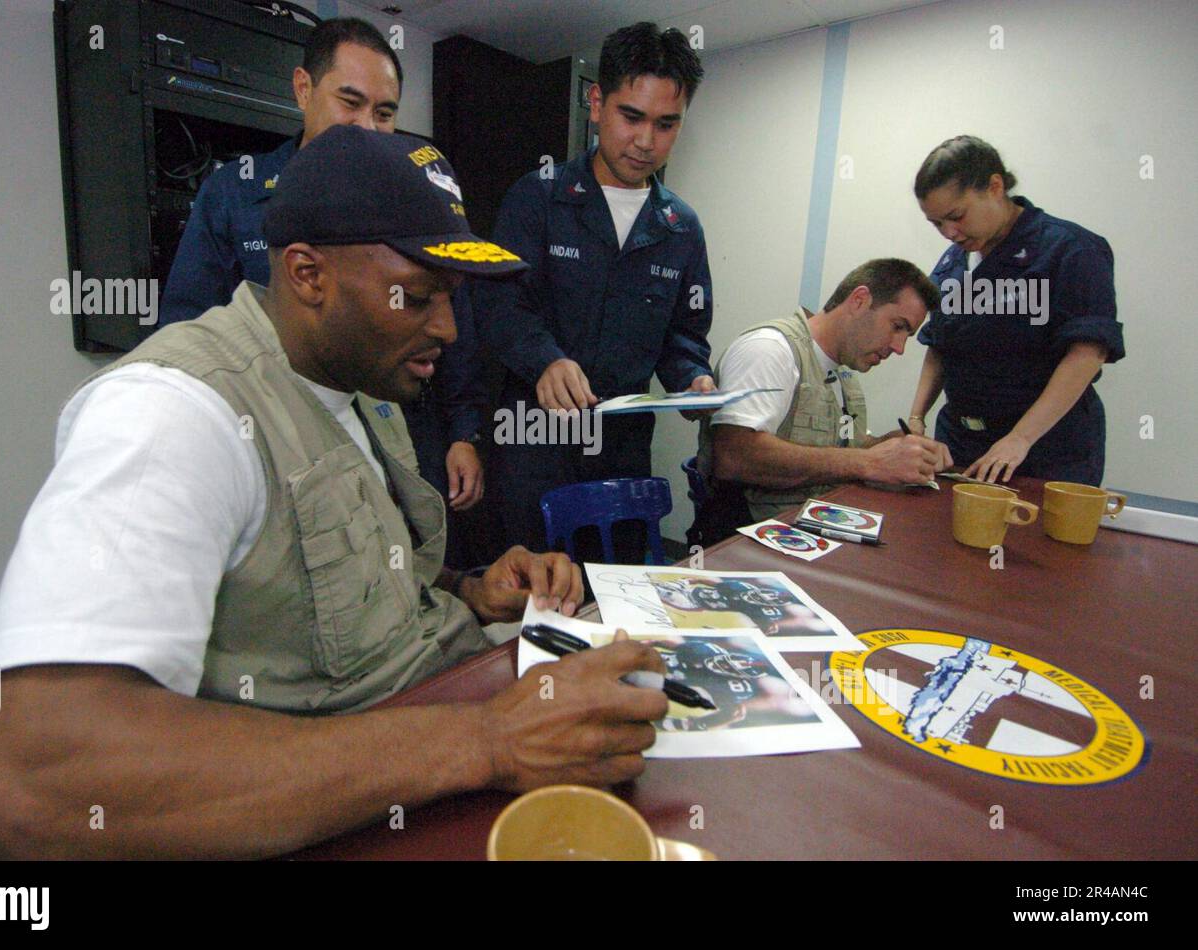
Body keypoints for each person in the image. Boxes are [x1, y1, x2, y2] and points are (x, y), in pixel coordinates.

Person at [0, 127, 669, 860]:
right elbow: (33, 788)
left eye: (453, 298)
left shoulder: (358, 374)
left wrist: (467, 588)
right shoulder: (172, 414)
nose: (449, 329)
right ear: (307, 274)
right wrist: (488, 740)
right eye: (419, 297)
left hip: (441, 704)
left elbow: (322, 582)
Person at [158, 17, 487, 547]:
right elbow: (187, 328)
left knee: (404, 560)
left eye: (384, 113)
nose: (367, 128)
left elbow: (453, 323)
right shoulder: (234, 194)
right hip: (279, 437)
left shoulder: (416, 190)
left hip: (396, 425)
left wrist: (463, 432)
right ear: (304, 89)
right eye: (349, 103)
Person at [474, 22, 714, 562]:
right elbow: (499, 304)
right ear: (597, 102)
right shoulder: (538, 197)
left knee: (619, 597)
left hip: (621, 448)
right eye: (632, 117)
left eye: (666, 124)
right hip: (535, 438)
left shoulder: (681, 226)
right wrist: (545, 361)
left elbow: (683, 334)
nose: (646, 141)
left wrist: (694, 380)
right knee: (534, 595)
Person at [907, 135, 1125, 484]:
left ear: (994, 187)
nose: (949, 232)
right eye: (937, 224)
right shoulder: (953, 262)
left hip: (1045, 450)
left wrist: (1020, 438)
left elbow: (1087, 353)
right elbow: (939, 346)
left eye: (957, 216)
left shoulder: (1071, 250)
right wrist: (916, 420)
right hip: (961, 443)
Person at [690, 260, 954, 546]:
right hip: (749, 543)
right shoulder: (769, 349)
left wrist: (890, 446)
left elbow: (837, 452)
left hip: (814, 531)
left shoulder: (842, 371)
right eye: (897, 326)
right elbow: (735, 457)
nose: (899, 348)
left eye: (908, 335)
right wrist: (870, 461)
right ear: (860, 300)